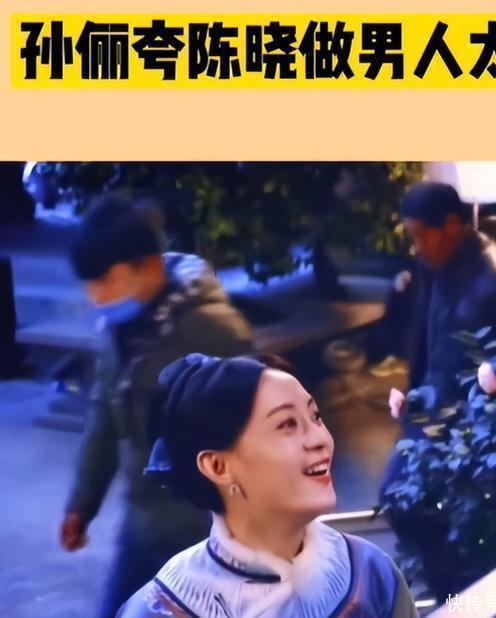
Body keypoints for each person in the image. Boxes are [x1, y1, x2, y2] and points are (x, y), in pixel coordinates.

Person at [59, 195, 254, 618]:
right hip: (142, 528)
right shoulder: (118, 330)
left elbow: (257, 436)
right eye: (90, 285)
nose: (97, 297)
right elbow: (105, 419)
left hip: (204, 537)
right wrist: (82, 503)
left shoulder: (213, 332)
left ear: (148, 266)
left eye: (106, 280)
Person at [117, 353, 417, 618]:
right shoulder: (162, 609)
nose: (320, 439)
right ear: (217, 466)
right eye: (286, 424)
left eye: (315, 416)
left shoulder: (369, 573)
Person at [399, 181, 496, 403]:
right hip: (431, 404)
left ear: (452, 224)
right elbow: (426, 344)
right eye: (413, 238)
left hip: (475, 417)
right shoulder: (435, 262)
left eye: (422, 237)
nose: (417, 247)